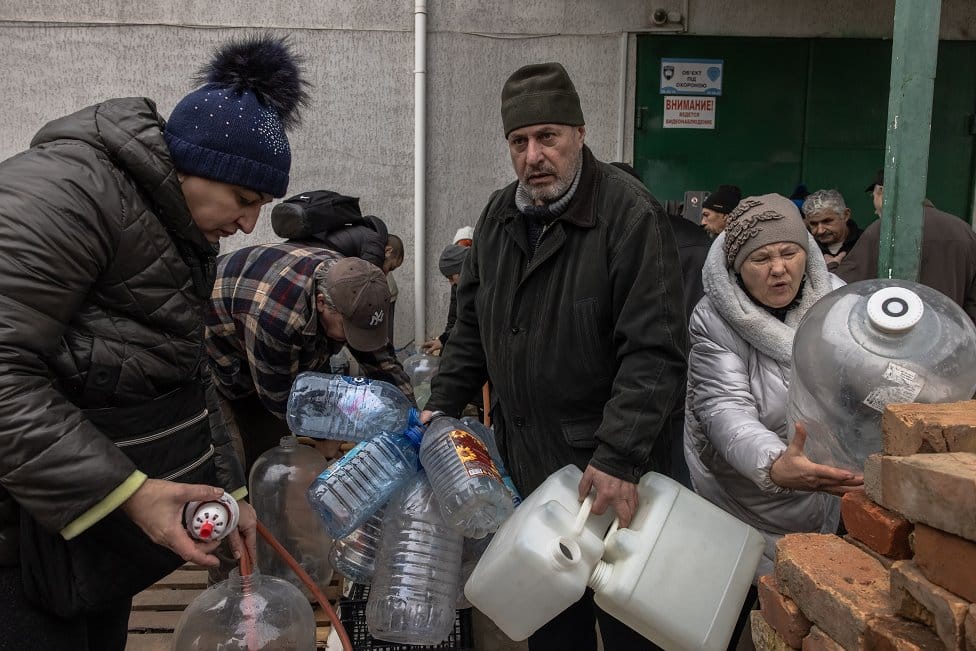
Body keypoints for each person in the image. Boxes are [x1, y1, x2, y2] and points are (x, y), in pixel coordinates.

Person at [0, 34, 307, 649]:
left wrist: (230, 493)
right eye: (244, 200)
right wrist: (132, 494)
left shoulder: (172, 225)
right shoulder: (65, 196)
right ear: (190, 165)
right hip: (20, 537)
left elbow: (186, 377)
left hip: (86, 536)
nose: (250, 223)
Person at [422, 62, 687, 651]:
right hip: (533, 471)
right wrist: (441, 406)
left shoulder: (629, 215)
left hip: (618, 474)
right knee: (549, 627)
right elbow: (470, 326)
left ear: (580, 134)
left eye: (549, 137)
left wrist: (619, 456)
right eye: (519, 141)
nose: (533, 155)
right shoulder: (498, 216)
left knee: (632, 623)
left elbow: (656, 350)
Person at [684, 193, 863, 648]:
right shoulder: (715, 319)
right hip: (742, 495)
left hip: (826, 494)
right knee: (734, 618)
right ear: (738, 267)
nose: (778, 268)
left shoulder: (839, 304)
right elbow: (725, 412)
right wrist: (774, 464)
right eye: (760, 258)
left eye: (789, 252)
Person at [205, 246, 414, 472]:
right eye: (348, 329)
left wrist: (412, 415)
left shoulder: (355, 284)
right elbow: (280, 397)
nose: (354, 339)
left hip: (265, 321)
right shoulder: (279, 318)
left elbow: (383, 362)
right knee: (240, 454)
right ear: (322, 303)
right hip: (216, 343)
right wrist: (324, 435)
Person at [836, 169, 976, 323]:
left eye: (873, 196)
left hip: (898, 337)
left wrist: (833, 263)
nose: (874, 207)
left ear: (882, 192)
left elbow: (843, 286)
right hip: (951, 335)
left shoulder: (882, 230)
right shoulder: (963, 230)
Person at [421, 243, 470, 355]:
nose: (451, 283)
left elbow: (468, 323)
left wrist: (444, 340)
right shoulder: (457, 286)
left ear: (463, 269)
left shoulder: (482, 288)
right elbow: (453, 321)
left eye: (451, 277)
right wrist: (444, 344)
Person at [801, 188, 863, 270]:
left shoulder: (865, 243)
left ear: (845, 215)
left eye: (827, 221)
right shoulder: (805, 247)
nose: (820, 231)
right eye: (813, 224)